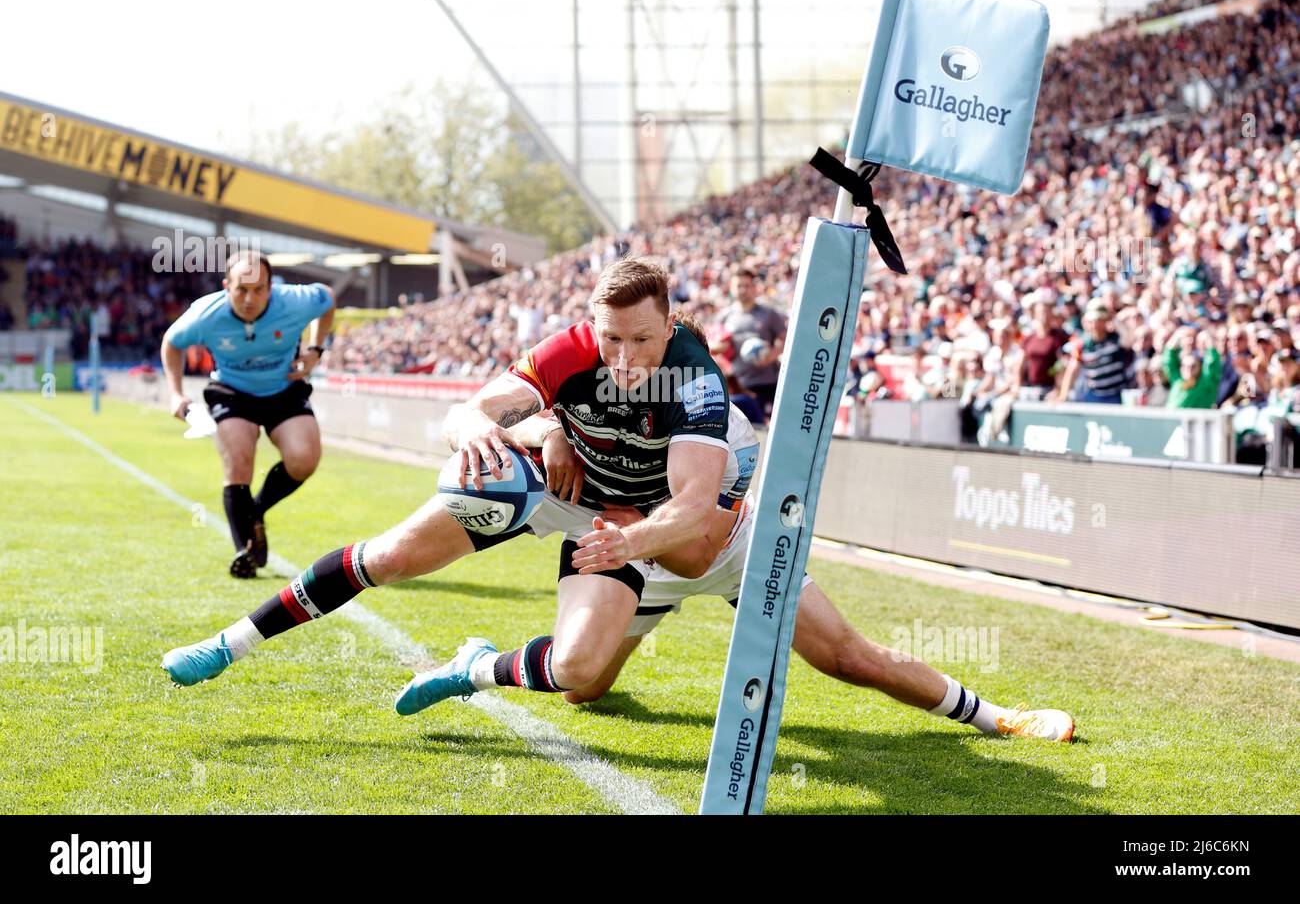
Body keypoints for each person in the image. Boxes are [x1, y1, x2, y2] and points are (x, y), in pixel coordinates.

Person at [399, 322, 1075, 742]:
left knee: (846, 656)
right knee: (585, 690)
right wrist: (552, 434)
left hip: (721, 549)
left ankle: (996, 715)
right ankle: (485, 659)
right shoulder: (625, 405)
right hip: (647, 555)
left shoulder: (717, 425)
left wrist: (638, 535)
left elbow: (699, 537)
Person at [161, 257, 731, 705]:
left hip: (623, 522)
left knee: (579, 675)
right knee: (388, 558)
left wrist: (630, 538)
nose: (624, 358)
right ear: (592, 324)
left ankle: (473, 667)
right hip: (549, 488)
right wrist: (484, 428)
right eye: (612, 338)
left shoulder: (696, 376)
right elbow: (466, 413)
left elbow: (694, 504)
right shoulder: (571, 349)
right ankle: (228, 643)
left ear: (669, 324)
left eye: (642, 340)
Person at [161, 251, 335, 577]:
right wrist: (175, 392)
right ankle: (246, 552)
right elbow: (172, 342)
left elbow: (328, 299)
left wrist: (315, 349)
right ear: (227, 286)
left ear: (271, 287)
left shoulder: (296, 301)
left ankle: (254, 511)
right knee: (239, 460)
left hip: (284, 388)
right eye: (241, 290)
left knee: (304, 459)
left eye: (259, 289)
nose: (250, 299)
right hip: (232, 392)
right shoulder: (205, 314)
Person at [720, 267, 786, 418]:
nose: (743, 290)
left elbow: (785, 338)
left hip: (766, 383)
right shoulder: (725, 316)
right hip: (738, 385)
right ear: (732, 288)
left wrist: (770, 356)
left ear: (754, 288)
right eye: (739, 286)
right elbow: (713, 343)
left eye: (747, 286)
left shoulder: (769, 314)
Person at [1057, 298, 1133, 404]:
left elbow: (1129, 341)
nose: (1096, 325)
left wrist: (1114, 318)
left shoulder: (1115, 340)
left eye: (1100, 320)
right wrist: (1063, 394)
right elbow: (1072, 370)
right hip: (1094, 396)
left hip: (1116, 396)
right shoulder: (1082, 345)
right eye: (1092, 321)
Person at [1162, 326, 1222, 409]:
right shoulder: (1177, 380)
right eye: (1185, 366)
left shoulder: (1206, 384)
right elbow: (1168, 361)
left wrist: (1208, 340)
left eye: (1193, 366)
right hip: (1171, 420)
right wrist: (1177, 336)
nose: (1188, 369)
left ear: (1200, 368)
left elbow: (1212, 363)